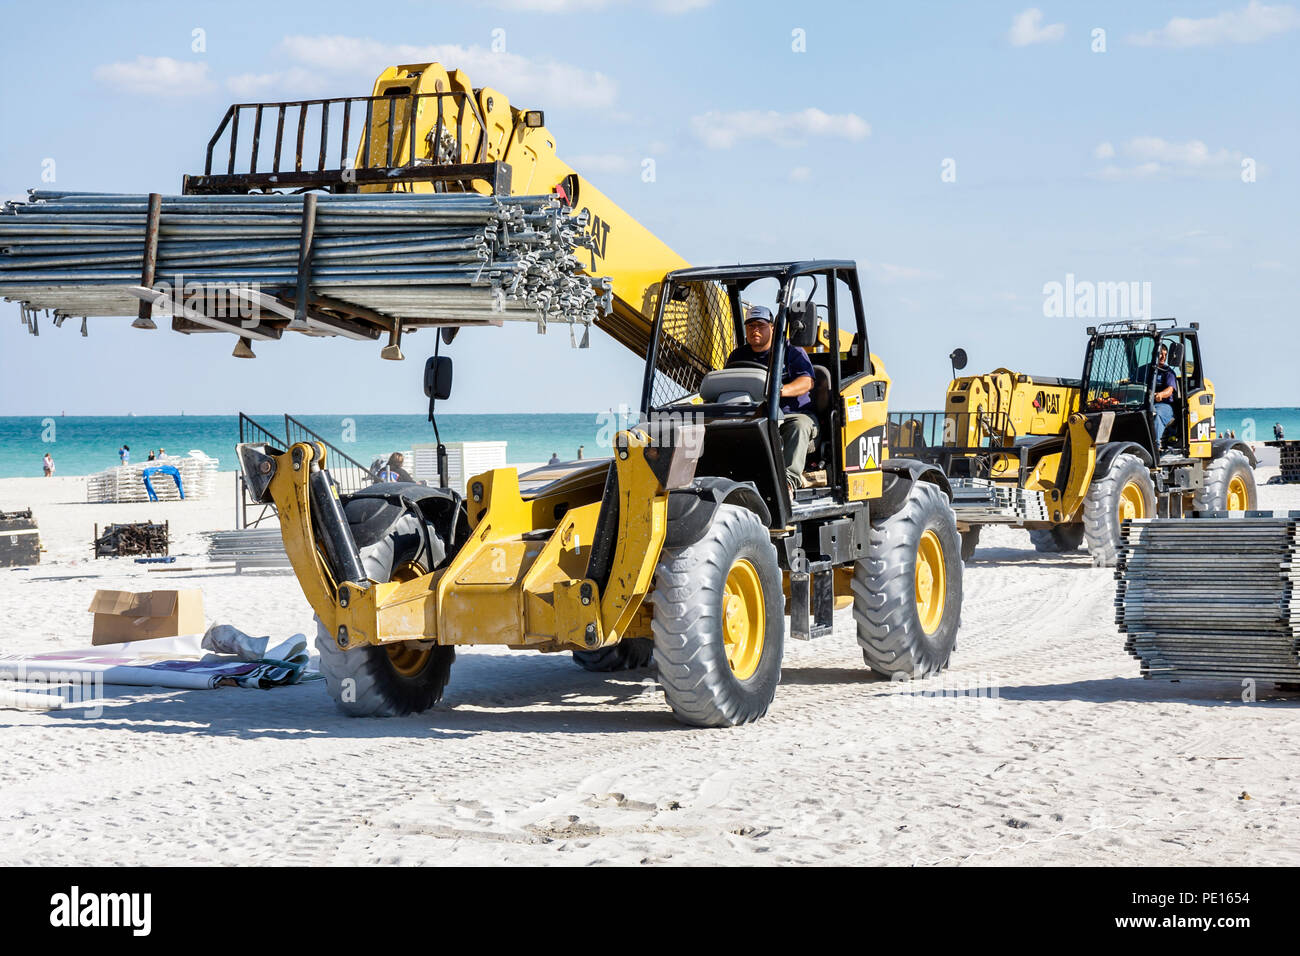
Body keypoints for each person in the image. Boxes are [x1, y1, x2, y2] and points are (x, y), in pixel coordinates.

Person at [725, 304, 816, 492]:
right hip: (753, 413)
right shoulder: (737, 356)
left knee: (799, 426)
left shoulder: (791, 351)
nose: (755, 330)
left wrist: (780, 390)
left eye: (760, 325)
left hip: (791, 415)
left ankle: (788, 483)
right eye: (750, 326)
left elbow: (807, 382)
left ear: (772, 328)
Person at [1149, 343, 1177, 444]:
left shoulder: (1168, 372)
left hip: (1163, 405)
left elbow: (1170, 390)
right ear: (1154, 354)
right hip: (1143, 404)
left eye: (1165, 355)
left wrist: (1160, 394)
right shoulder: (1143, 370)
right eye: (1161, 354)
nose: (1163, 357)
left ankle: (1154, 445)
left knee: (1156, 414)